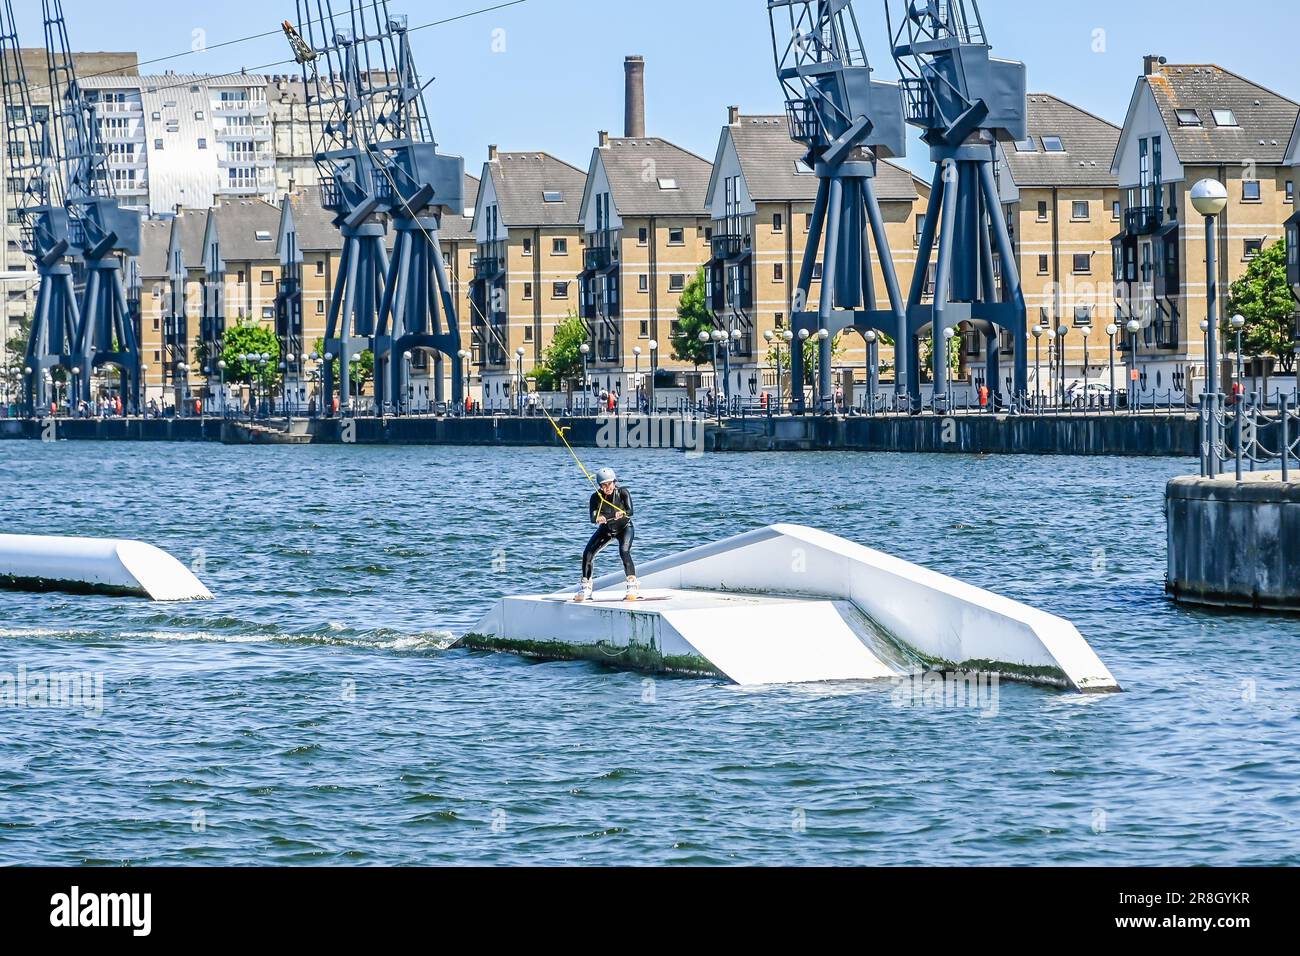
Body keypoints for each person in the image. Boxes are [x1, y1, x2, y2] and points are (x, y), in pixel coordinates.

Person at [575, 467, 637, 603]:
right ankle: (586, 588)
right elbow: (592, 517)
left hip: (625, 528)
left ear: (614, 482)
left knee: (624, 551)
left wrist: (623, 512)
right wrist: (597, 518)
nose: (607, 487)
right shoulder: (595, 498)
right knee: (587, 554)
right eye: (604, 485)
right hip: (606, 530)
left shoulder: (623, 492)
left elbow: (630, 510)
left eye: (610, 483)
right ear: (600, 486)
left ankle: (632, 586)